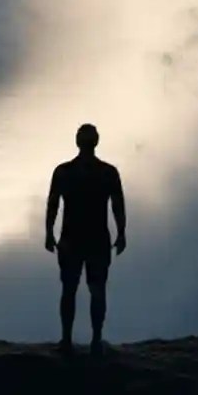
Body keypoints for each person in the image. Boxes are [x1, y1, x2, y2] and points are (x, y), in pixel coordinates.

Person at [44, 123, 126, 356]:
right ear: (96, 142)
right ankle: (95, 341)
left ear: (77, 142)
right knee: (96, 290)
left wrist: (49, 232)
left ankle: (67, 340)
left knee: (70, 289)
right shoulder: (108, 172)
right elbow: (118, 205)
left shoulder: (64, 171)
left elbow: (53, 204)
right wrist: (121, 232)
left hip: (72, 238)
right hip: (96, 239)